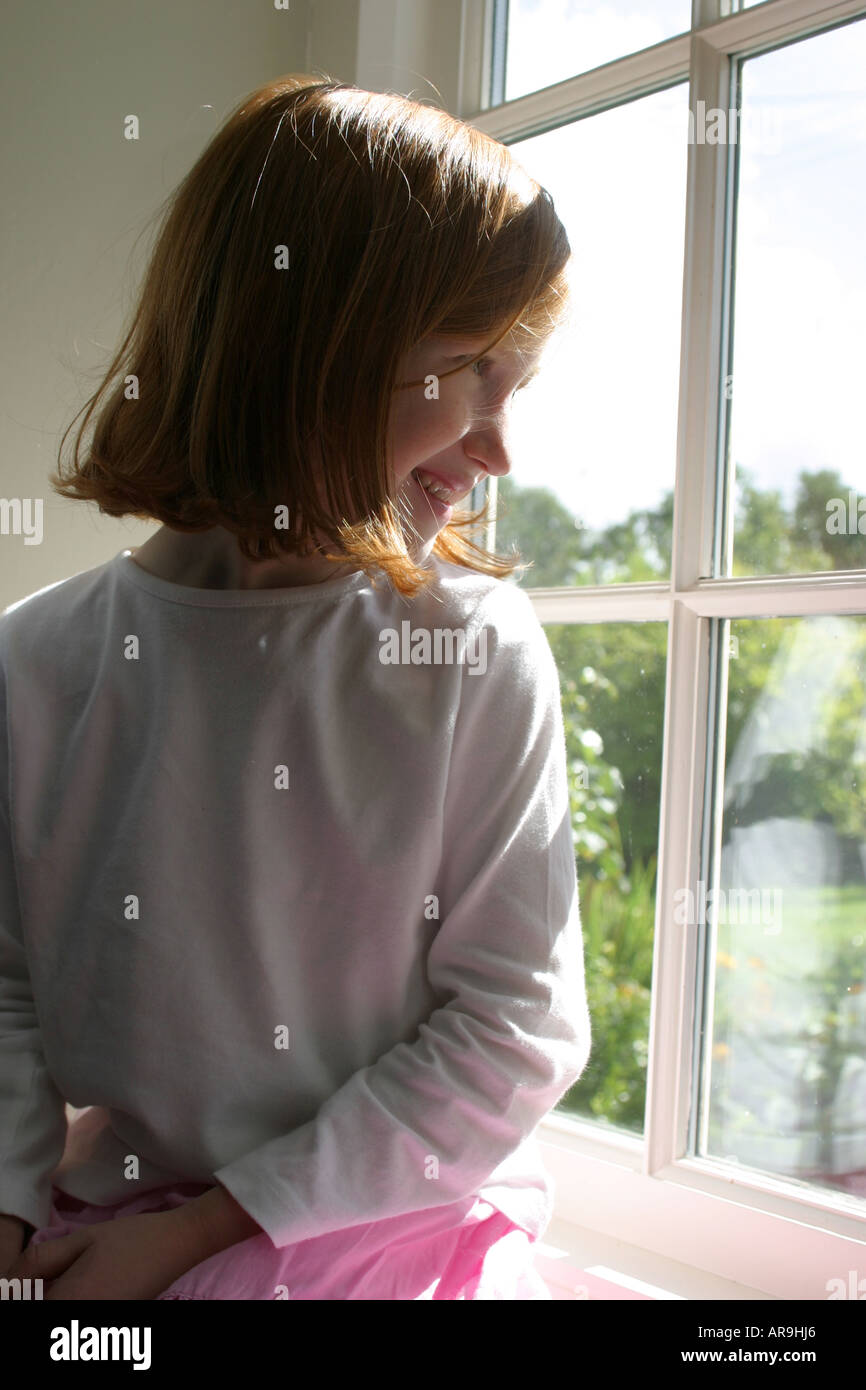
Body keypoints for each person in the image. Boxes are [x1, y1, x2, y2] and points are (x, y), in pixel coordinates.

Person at [0, 75, 591, 1300]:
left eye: (513, 382)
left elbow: (512, 1028)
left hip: (381, 1223)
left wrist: (208, 1228)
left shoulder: (469, 649)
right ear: (311, 355)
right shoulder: (35, 663)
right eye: (470, 369)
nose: (498, 448)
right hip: (109, 1228)